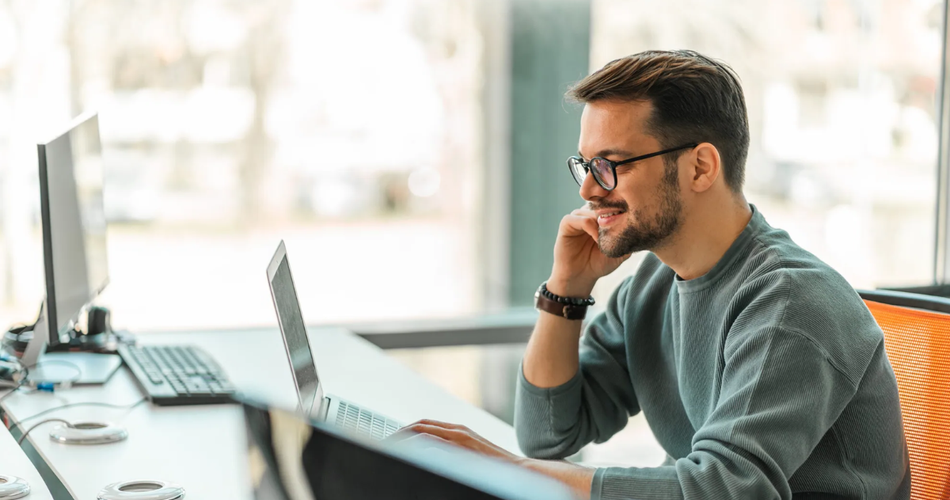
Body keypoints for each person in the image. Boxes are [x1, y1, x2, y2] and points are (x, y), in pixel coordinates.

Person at [392, 50, 910, 499]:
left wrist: (507, 468)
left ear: (701, 167)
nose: (589, 190)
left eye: (611, 164)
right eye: (586, 165)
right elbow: (548, 435)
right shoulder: (654, 284)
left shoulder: (789, 302)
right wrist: (566, 290)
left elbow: (724, 490)